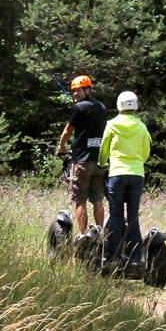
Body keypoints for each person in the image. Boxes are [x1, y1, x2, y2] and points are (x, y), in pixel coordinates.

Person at [98, 91, 152, 268]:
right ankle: (135, 258)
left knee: (116, 215)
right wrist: (137, 163)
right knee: (133, 216)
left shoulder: (112, 125)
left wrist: (102, 163)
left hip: (116, 173)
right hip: (137, 174)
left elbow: (104, 149)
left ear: (119, 104)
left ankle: (112, 257)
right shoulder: (142, 127)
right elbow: (146, 153)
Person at [56, 75, 108, 233]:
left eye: (78, 90)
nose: (75, 94)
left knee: (80, 201)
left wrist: (61, 147)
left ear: (87, 90)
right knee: (98, 201)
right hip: (99, 161)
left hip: (82, 162)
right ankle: (99, 234)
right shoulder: (101, 107)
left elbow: (67, 131)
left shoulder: (80, 108)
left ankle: (83, 235)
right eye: (73, 91)